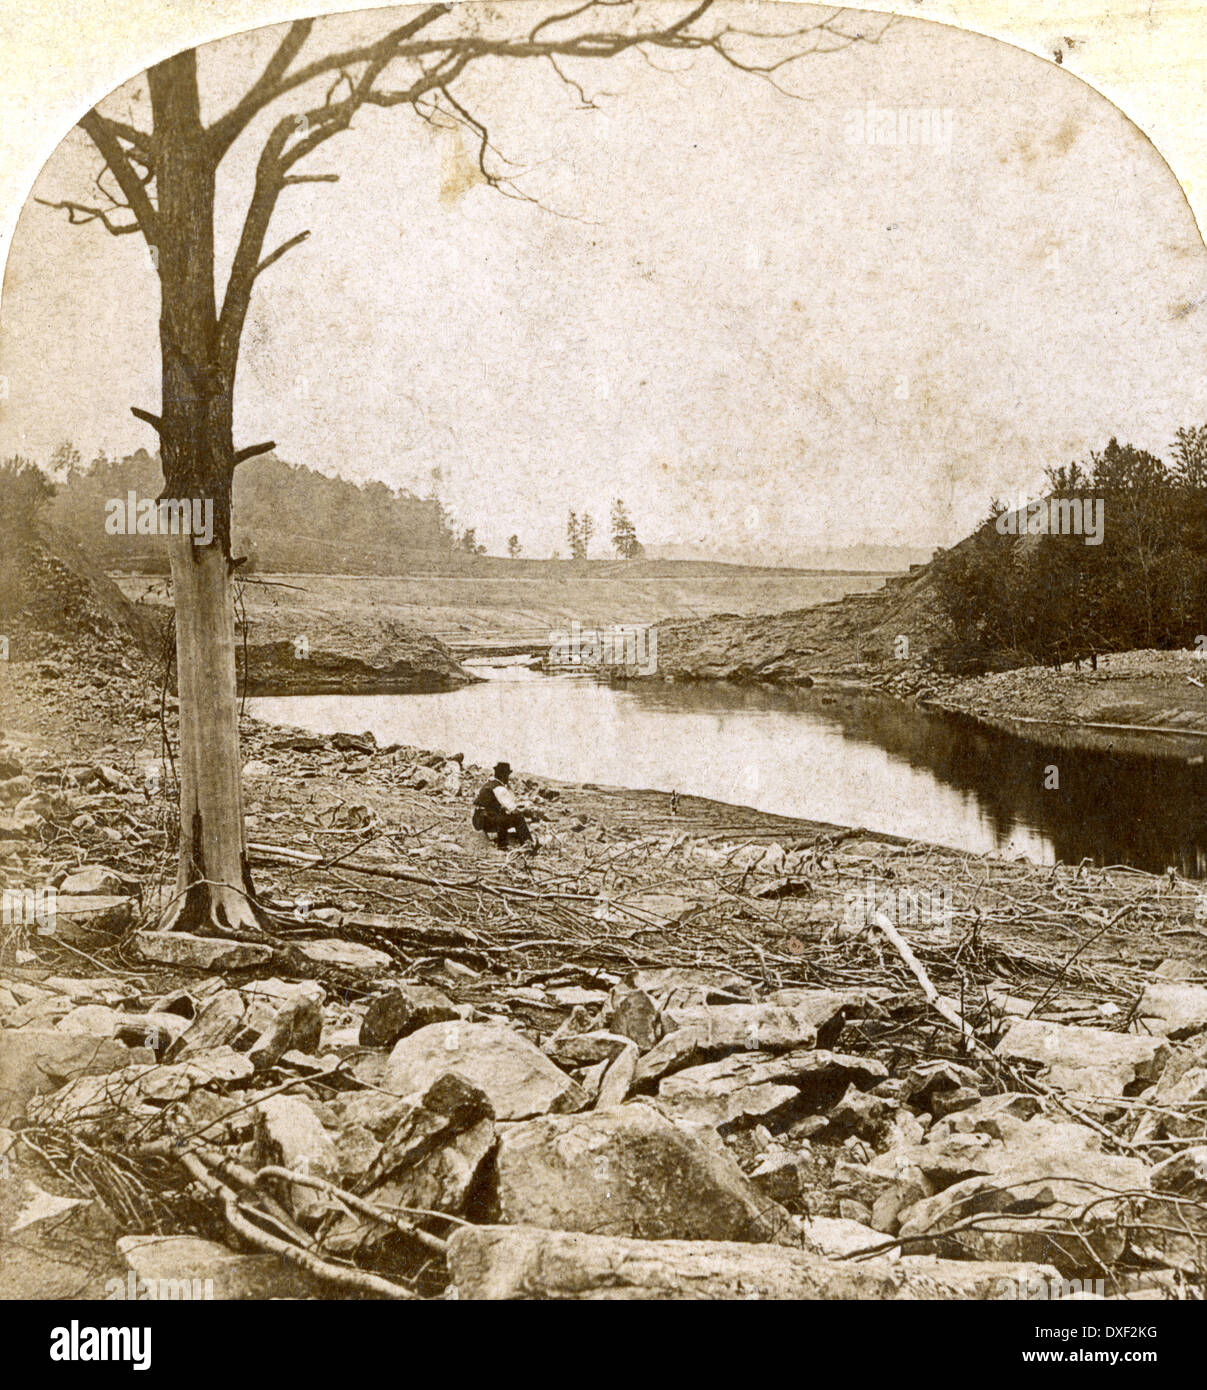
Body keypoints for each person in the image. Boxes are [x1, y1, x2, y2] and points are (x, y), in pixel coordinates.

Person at [472, 761, 533, 848]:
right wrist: (527, 812)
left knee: (503, 815)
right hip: (486, 821)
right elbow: (513, 809)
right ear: (503, 775)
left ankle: (503, 843)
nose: (508, 778)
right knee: (518, 818)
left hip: (478, 818)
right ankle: (527, 844)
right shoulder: (499, 788)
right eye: (507, 775)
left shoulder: (489, 784)